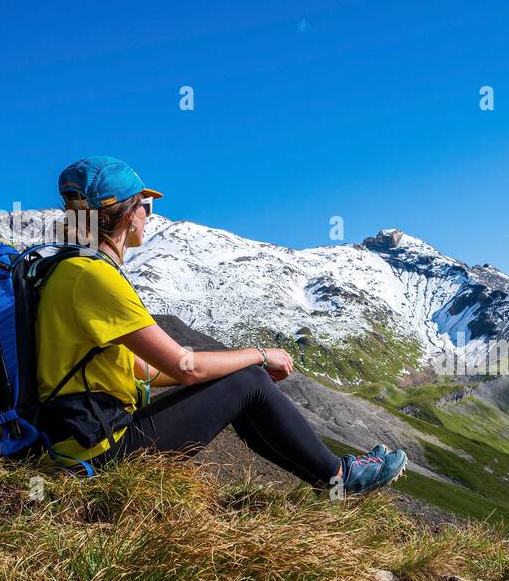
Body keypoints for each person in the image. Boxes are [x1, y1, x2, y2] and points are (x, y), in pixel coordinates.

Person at [34, 155, 406, 495]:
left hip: (77, 446)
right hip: (99, 455)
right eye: (145, 205)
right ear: (129, 213)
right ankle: (341, 478)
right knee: (251, 382)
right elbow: (186, 367)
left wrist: (231, 371)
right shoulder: (94, 277)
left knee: (242, 381)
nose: (149, 214)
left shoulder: (70, 270)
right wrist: (259, 355)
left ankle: (332, 484)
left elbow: (140, 369)